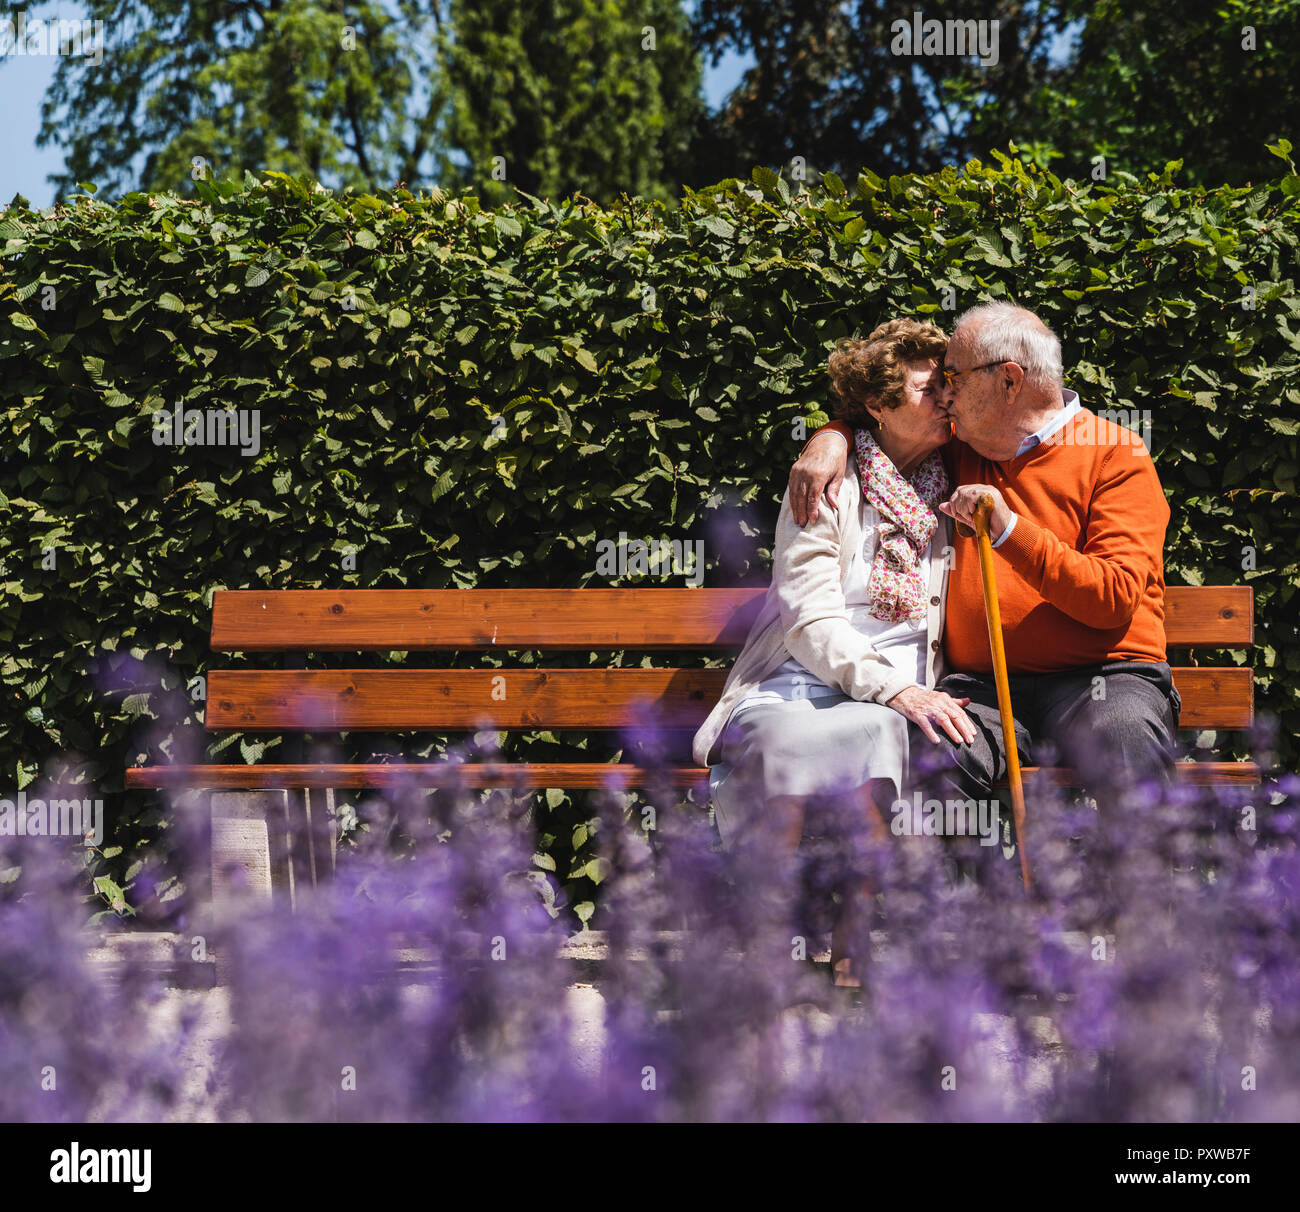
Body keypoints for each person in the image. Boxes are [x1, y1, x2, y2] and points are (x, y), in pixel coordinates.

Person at [787, 302, 1182, 824]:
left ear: (1009, 381)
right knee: (923, 755)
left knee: (1126, 736)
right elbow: (885, 426)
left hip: (1105, 679)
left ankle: (1141, 906)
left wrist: (1008, 530)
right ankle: (954, 904)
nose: (944, 394)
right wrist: (830, 436)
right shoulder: (954, 449)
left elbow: (1111, 599)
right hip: (982, 686)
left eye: (954, 376)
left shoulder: (1115, 454)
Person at [693, 318, 976, 987]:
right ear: (878, 407)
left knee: (879, 730)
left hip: (895, 691)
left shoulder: (958, 477)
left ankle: (853, 946)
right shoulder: (824, 485)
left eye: (948, 387)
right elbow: (807, 617)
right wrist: (833, 440)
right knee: (790, 735)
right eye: (927, 389)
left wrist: (833, 432)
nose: (947, 401)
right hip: (800, 676)